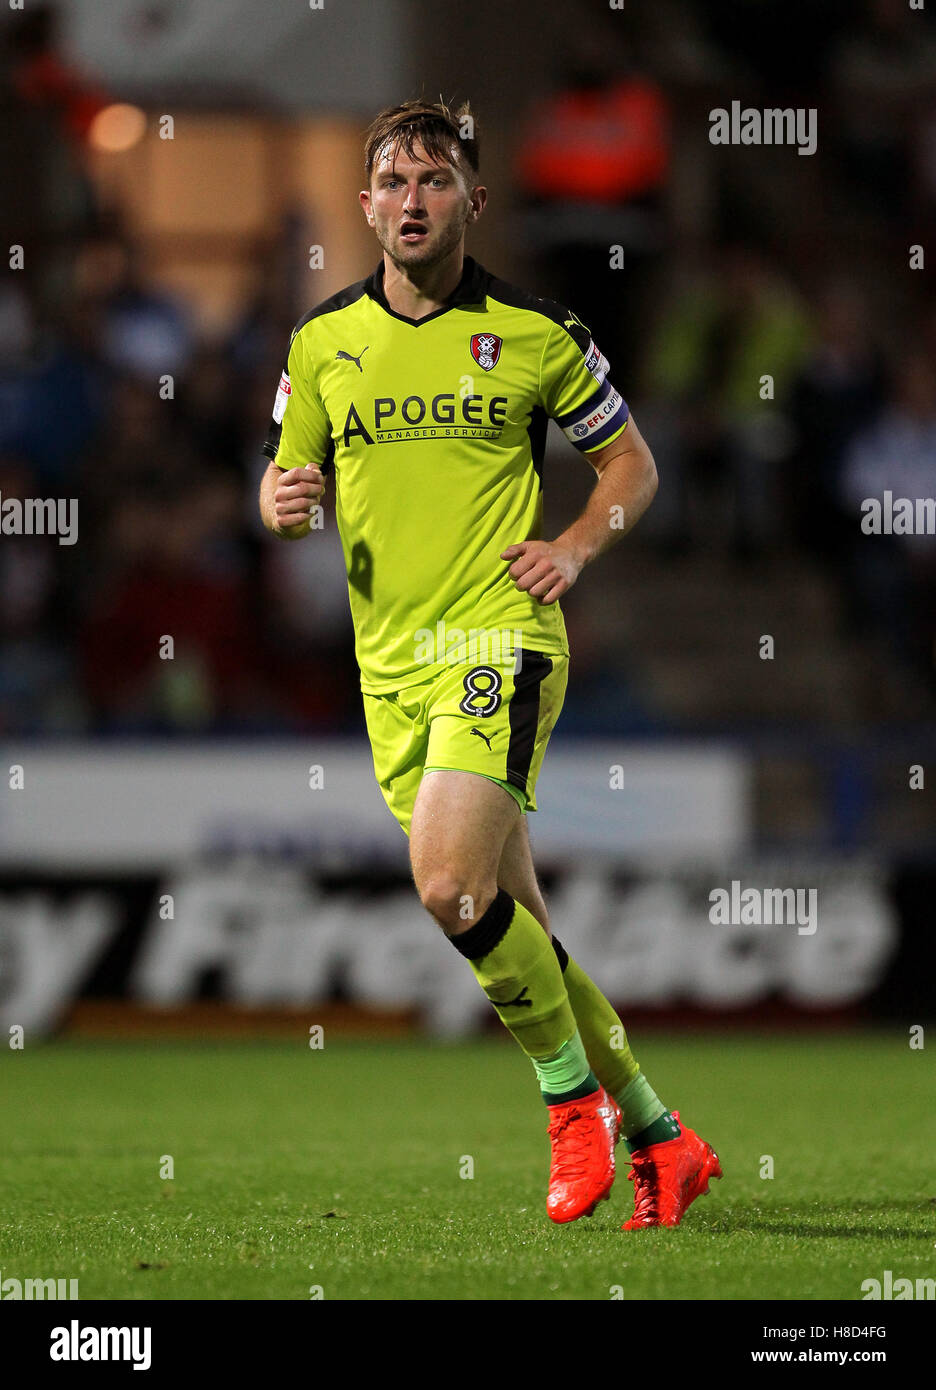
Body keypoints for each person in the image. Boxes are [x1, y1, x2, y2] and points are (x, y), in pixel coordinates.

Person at [258, 98, 721, 1228]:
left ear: (475, 197)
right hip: (390, 668)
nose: (412, 200)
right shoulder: (320, 343)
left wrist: (571, 547)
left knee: (448, 886)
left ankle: (571, 1108)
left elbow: (633, 471)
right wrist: (278, 504)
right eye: (393, 183)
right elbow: (285, 488)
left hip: (498, 640)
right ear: (365, 205)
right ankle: (665, 1134)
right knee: (515, 928)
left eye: (435, 179)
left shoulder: (536, 330)